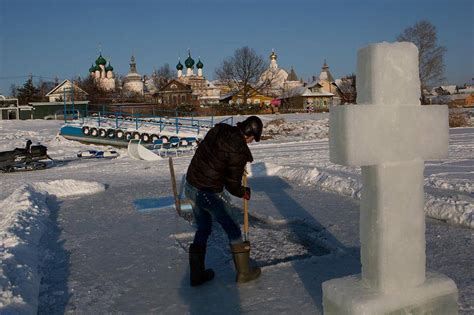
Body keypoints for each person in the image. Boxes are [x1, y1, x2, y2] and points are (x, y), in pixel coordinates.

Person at [185, 115, 263, 286]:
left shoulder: (219, 129)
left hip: (191, 185)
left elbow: (214, 157)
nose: (250, 143)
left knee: (204, 228)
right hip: (208, 191)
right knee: (232, 228)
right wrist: (244, 192)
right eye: (252, 139)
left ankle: (197, 275)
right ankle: (244, 273)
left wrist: (230, 170)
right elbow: (232, 186)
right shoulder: (239, 151)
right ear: (249, 134)